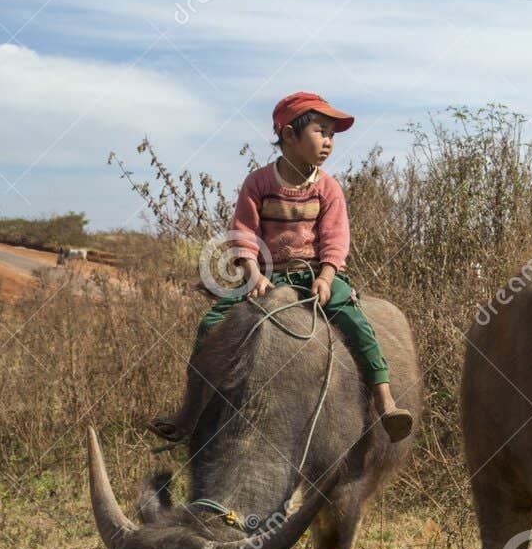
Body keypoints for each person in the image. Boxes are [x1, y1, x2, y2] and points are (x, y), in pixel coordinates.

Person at [150, 91, 412, 444]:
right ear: (289, 135)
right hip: (268, 275)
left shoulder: (328, 188)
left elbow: (335, 239)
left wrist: (326, 276)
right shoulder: (258, 184)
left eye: (332, 135)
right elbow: (244, 233)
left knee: (355, 320)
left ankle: (385, 399)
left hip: (315, 272)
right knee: (211, 325)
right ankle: (189, 413)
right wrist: (253, 272)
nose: (329, 142)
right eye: (321, 132)